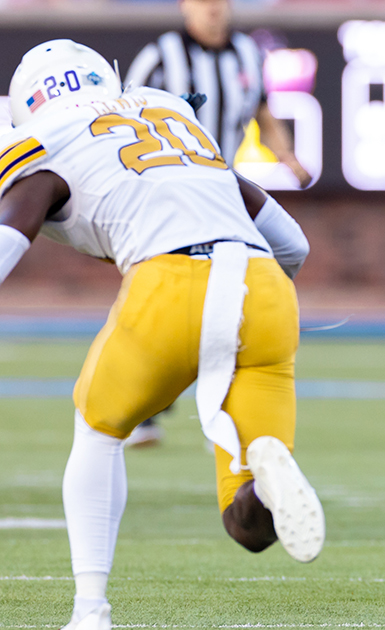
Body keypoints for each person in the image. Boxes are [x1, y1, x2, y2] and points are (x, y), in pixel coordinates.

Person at [0, 40, 323, 630]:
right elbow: (293, 244)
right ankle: (268, 476)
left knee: (97, 428)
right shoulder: (172, 119)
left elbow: (11, 233)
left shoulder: (46, 143)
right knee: (247, 526)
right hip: (266, 289)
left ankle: (90, 612)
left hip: (170, 282)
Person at [122, 0, 313, 447]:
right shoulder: (160, 55)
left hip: (227, 187)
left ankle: (226, 405)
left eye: (219, 2)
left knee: (247, 284)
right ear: (185, 6)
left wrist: (287, 156)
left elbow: (263, 113)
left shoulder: (248, 54)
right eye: (203, 2)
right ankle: (146, 406)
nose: (212, 10)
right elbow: (124, 121)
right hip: (170, 194)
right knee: (169, 296)